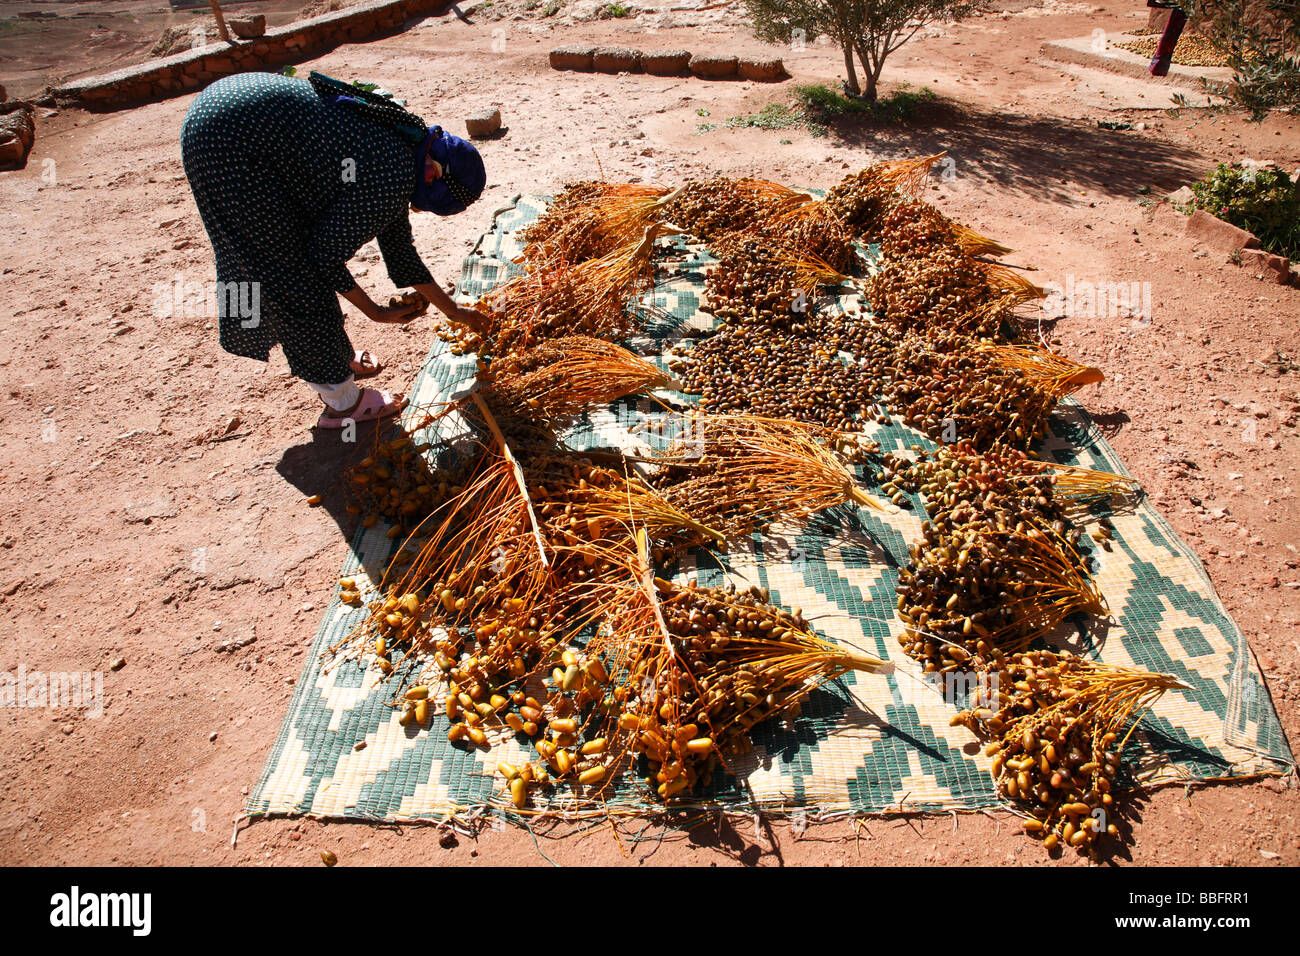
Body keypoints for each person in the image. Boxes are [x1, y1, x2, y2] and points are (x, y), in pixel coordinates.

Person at [180, 70, 488, 428]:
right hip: (230, 144)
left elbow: (401, 254)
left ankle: (337, 358)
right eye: (431, 204)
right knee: (293, 273)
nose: (420, 209)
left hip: (236, 112)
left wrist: (454, 311)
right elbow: (322, 256)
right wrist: (374, 312)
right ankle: (342, 404)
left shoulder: (405, 149)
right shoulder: (392, 177)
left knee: (300, 255)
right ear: (433, 175)